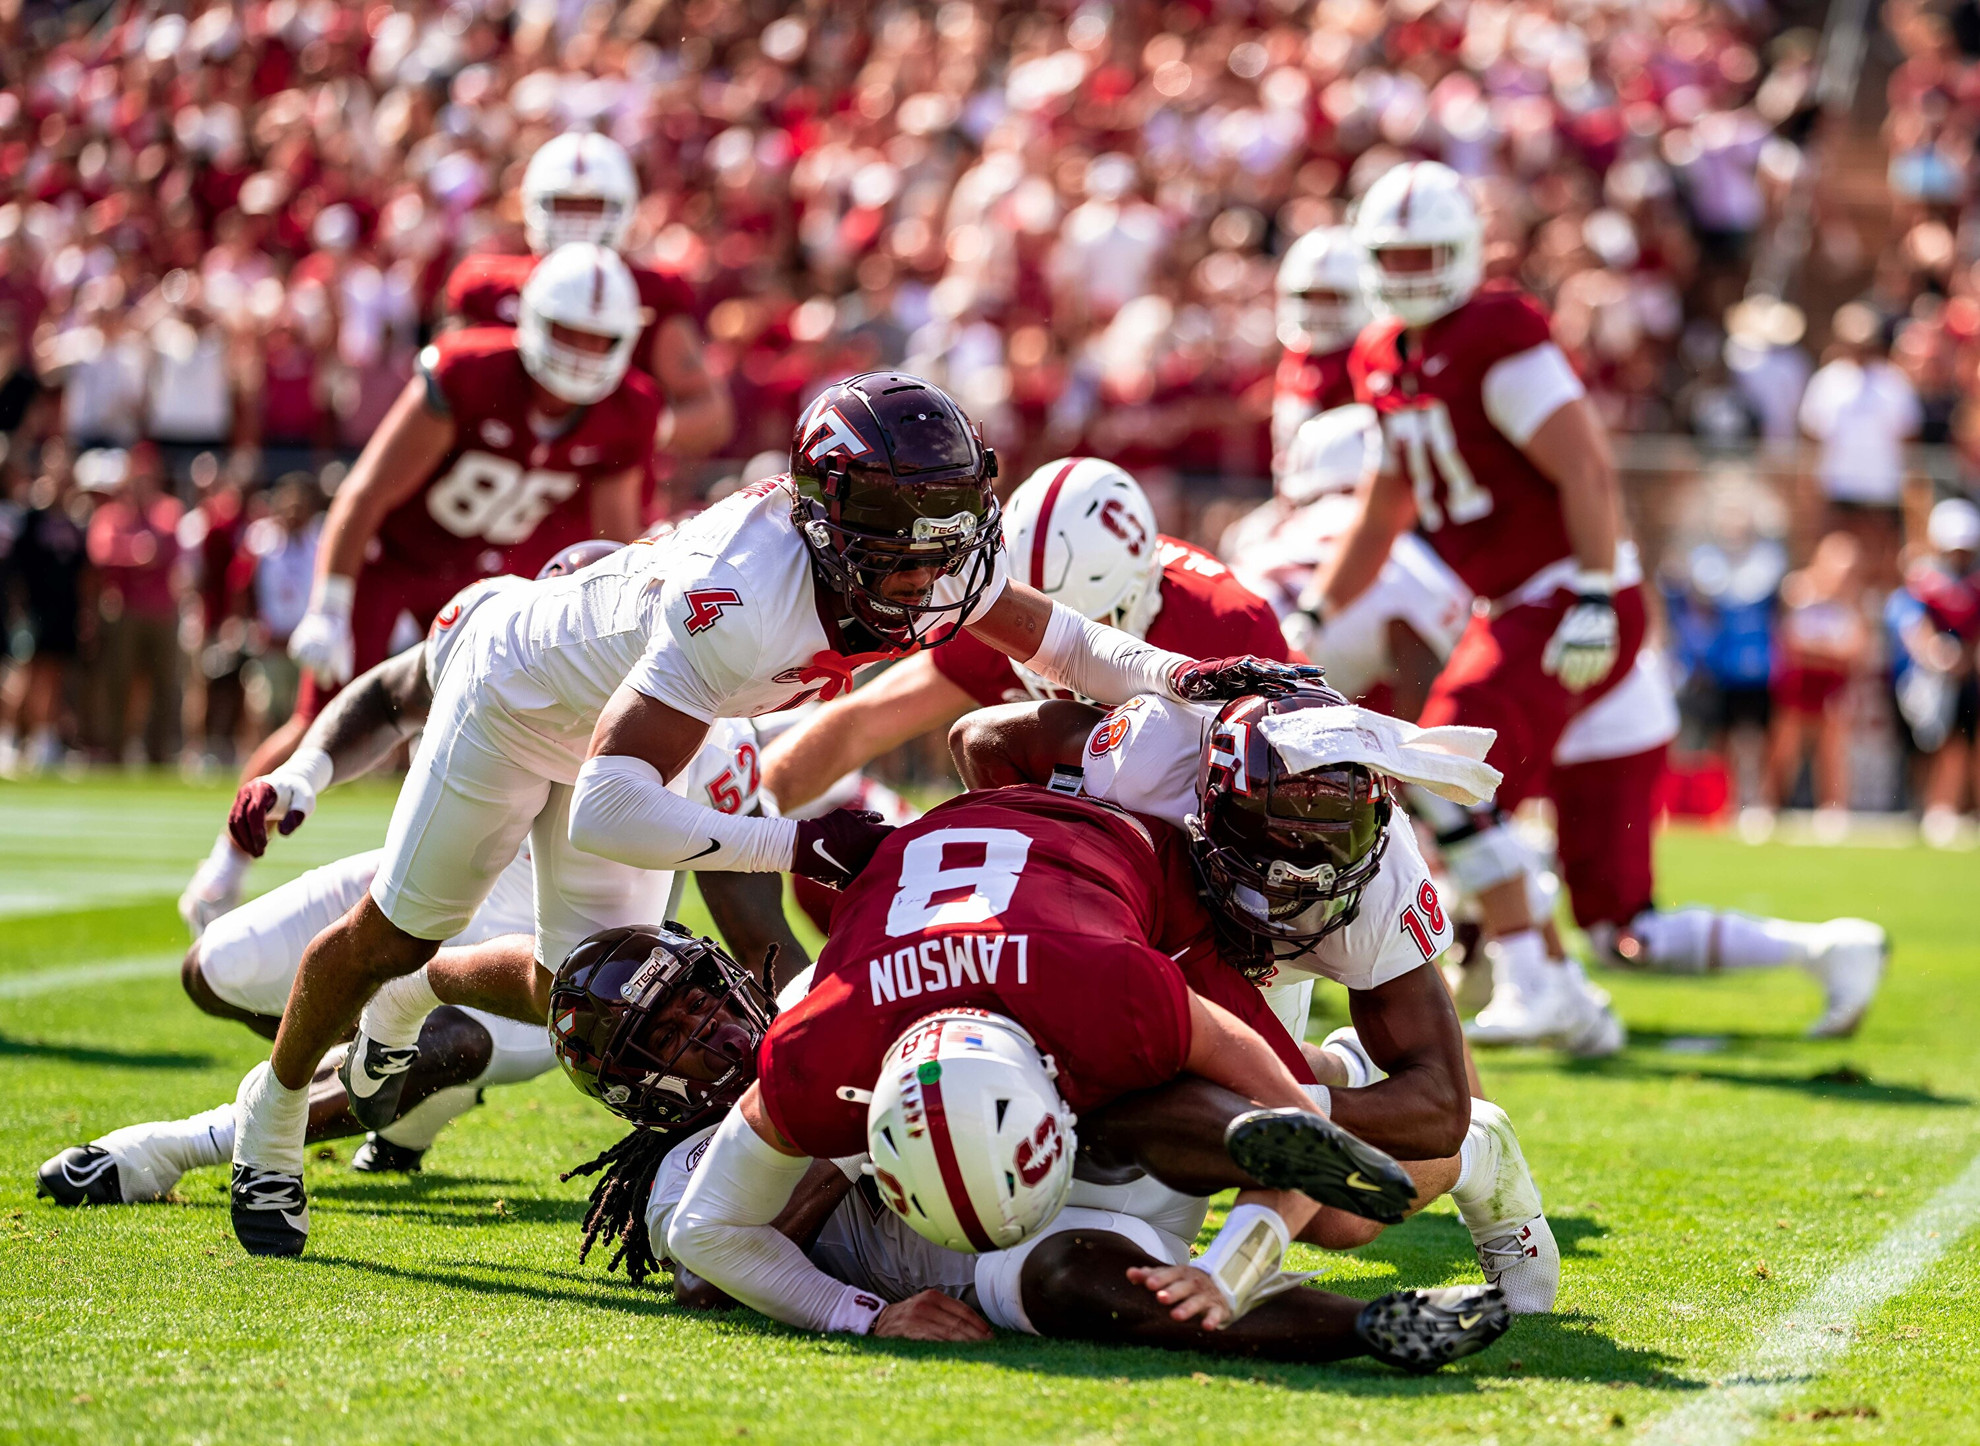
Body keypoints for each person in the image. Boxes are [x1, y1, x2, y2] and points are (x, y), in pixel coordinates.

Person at [221, 370, 1316, 1257]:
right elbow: (609, 804)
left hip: (645, 720)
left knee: (579, 994)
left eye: (950, 517)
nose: (934, 551)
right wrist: (798, 840)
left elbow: (1067, 646)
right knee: (394, 928)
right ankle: (270, 1116)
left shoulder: (921, 558)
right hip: (520, 703)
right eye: (901, 519)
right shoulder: (745, 598)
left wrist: (1206, 681)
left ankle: (411, 1006)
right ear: (831, 511)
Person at [552, 925, 1511, 1368]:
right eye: (673, 1035)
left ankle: (1435, 1131)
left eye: (707, 999)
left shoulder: (813, 1006)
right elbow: (706, 1277)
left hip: (1075, 1138)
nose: (716, 1030)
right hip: (1004, 1258)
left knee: (1336, 1214)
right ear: (634, 1085)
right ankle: (1378, 1331)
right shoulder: (682, 1174)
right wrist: (862, 1311)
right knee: (1076, 1293)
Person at [948, 686, 1560, 1310]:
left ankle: (1480, 1153)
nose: (1299, 872)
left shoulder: (1382, 888)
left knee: (1334, 1216)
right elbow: (980, 738)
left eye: (1329, 842)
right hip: (1157, 910)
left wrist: (1263, 1107)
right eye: (1280, 838)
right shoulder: (1149, 758)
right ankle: (1337, 1067)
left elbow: (1439, 1108)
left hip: (1277, 961)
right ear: (1208, 800)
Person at [178, 243, 659, 934]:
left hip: (496, 582)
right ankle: (222, 869)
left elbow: (619, 539)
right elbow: (368, 490)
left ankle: (479, 901)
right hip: (394, 561)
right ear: (532, 322)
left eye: (599, 338)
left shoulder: (630, 408)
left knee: (503, 736)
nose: (583, 352)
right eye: (568, 332)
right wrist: (332, 601)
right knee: (318, 723)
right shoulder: (469, 370)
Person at [1312, 160, 1640, 1050]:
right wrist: (1314, 611)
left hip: (1568, 589)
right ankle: (1561, 984)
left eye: (1430, 254)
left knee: (1444, 752)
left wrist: (1600, 590)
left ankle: (1537, 974)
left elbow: (1585, 464)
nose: (1414, 273)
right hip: (1511, 599)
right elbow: (1387, 503)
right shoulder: (1378, 351)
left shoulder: (1498, 328)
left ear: (1465, 252)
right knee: (1453, 781)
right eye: (1396, 255)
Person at [757, 456, 1287, 821]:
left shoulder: (1225, 624)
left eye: (1086, 621)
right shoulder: (998, 613)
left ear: (1140, 593)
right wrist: (749, 818)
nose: (1046, 652)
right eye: (1030, 614)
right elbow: (858, 726)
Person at [445, 131, 733, 469]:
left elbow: (712, 417)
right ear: (533, 205)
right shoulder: (487, 288)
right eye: (565, 204)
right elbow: (442, 392)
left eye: (593, 205)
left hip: (600, 485)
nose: (579, 219)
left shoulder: (650, 295)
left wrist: (620, 430)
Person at [1222, 405, 1470, 719]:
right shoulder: (1386, 546)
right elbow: (1422, 663)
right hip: (1275, 682)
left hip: (1205, 665)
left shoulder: (1259, 533)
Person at [84, 445, 184, 765]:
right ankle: (115, 750)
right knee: (118, 683)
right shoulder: (110, 515)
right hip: (124, 610)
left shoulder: (168, 509)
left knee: (165, 685)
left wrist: (135, 552)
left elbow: (170, 547)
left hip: (161, 610)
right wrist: (136, 553)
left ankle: (159, 753)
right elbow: (102, 553)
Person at [1764, 532, 1868, 837]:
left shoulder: (1852, 597)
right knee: (1785, 747)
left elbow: (1857, 649)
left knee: (1833, 747)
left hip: (1833, 686)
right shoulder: (1797, 589)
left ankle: (1833, 809)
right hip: (1796, 684)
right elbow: (1789, 643)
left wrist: (1820, 652)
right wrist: (1829, 653)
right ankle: (1769, 807)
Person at [1890, 498, 1980, 845]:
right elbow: (1912, 626)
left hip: (1963, 679)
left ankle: (1948, 808)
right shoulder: (1921, 583)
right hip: (1924, 681)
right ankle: (1925, 807)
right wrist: (1935, 656)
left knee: (1958, 743)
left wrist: (1963, 661)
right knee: (1928, 746)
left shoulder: (1970, 586)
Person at [1271, 226, 1371, 469]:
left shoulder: (1365, 360)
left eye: (1332, 297)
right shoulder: (1297, 352)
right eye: (1308, 297)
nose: (1317, 309)